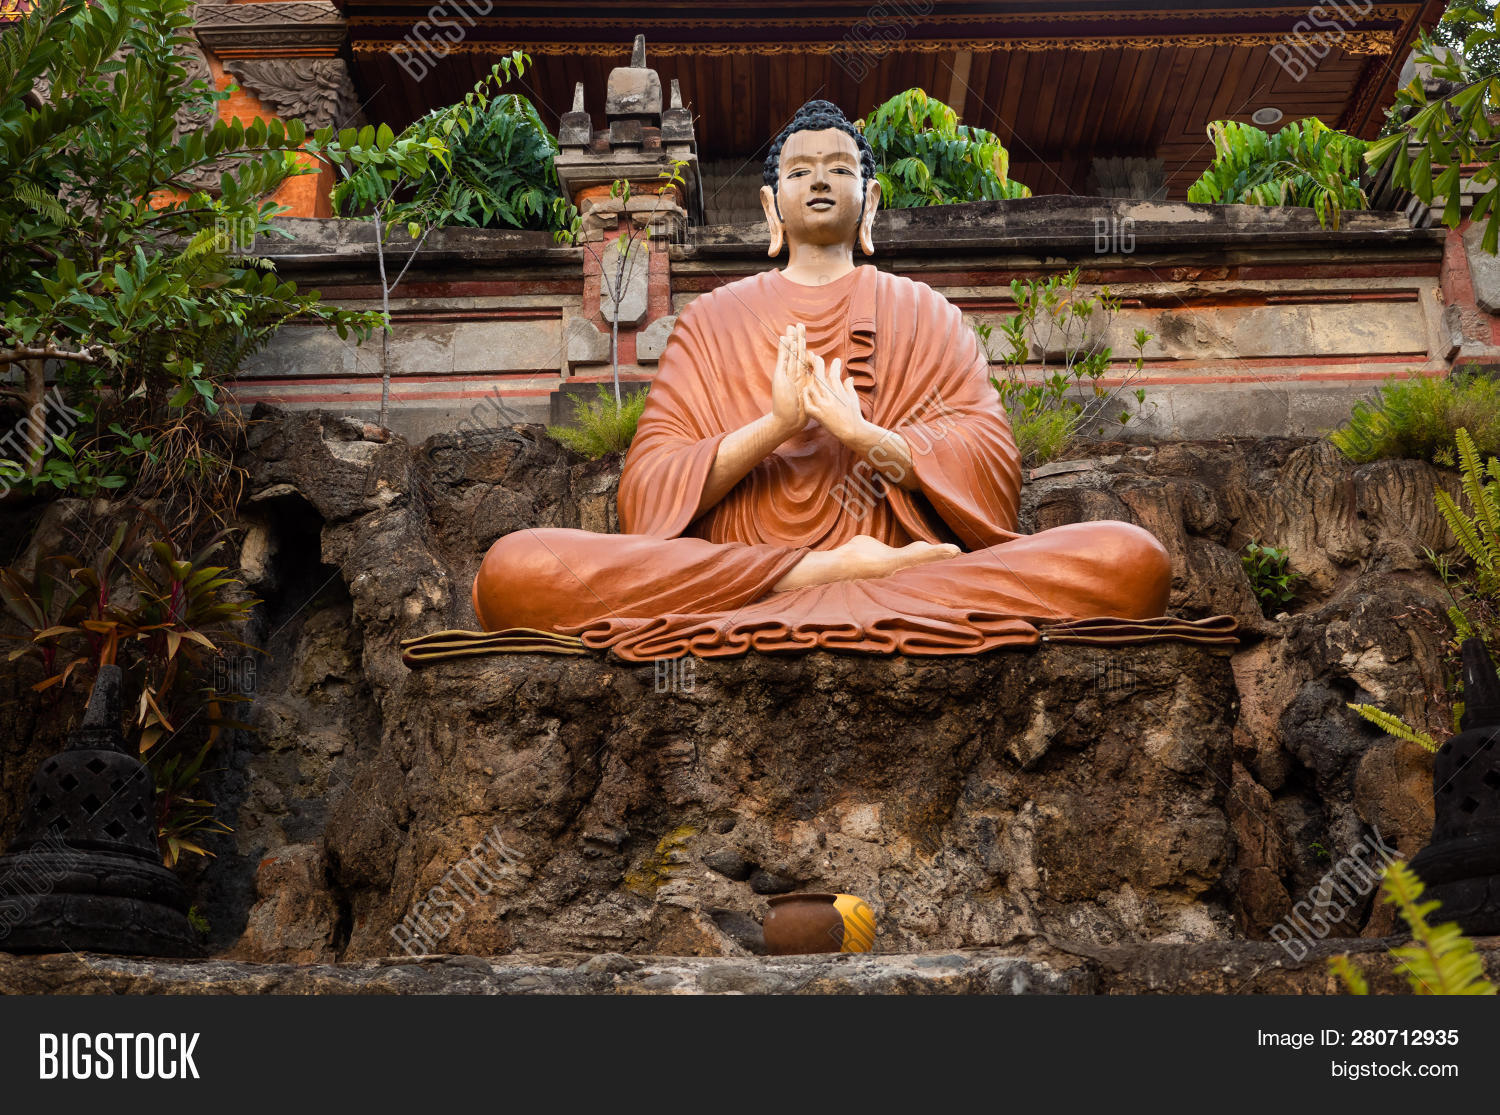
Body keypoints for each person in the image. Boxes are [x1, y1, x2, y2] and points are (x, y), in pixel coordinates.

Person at [472, 99, 1190, 661]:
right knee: (515, 570)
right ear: (769, 205)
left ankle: (860, 576)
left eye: (839, 168)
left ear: (870, 202)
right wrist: (775, 428)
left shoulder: (926, 312)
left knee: (1127, 561)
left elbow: (994, 467)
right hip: (746, 576)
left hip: (902, 570)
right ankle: (824, 575)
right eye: (800, 169)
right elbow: (647, 495)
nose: (819, 178)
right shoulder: (712, 319)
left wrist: (867, 436)